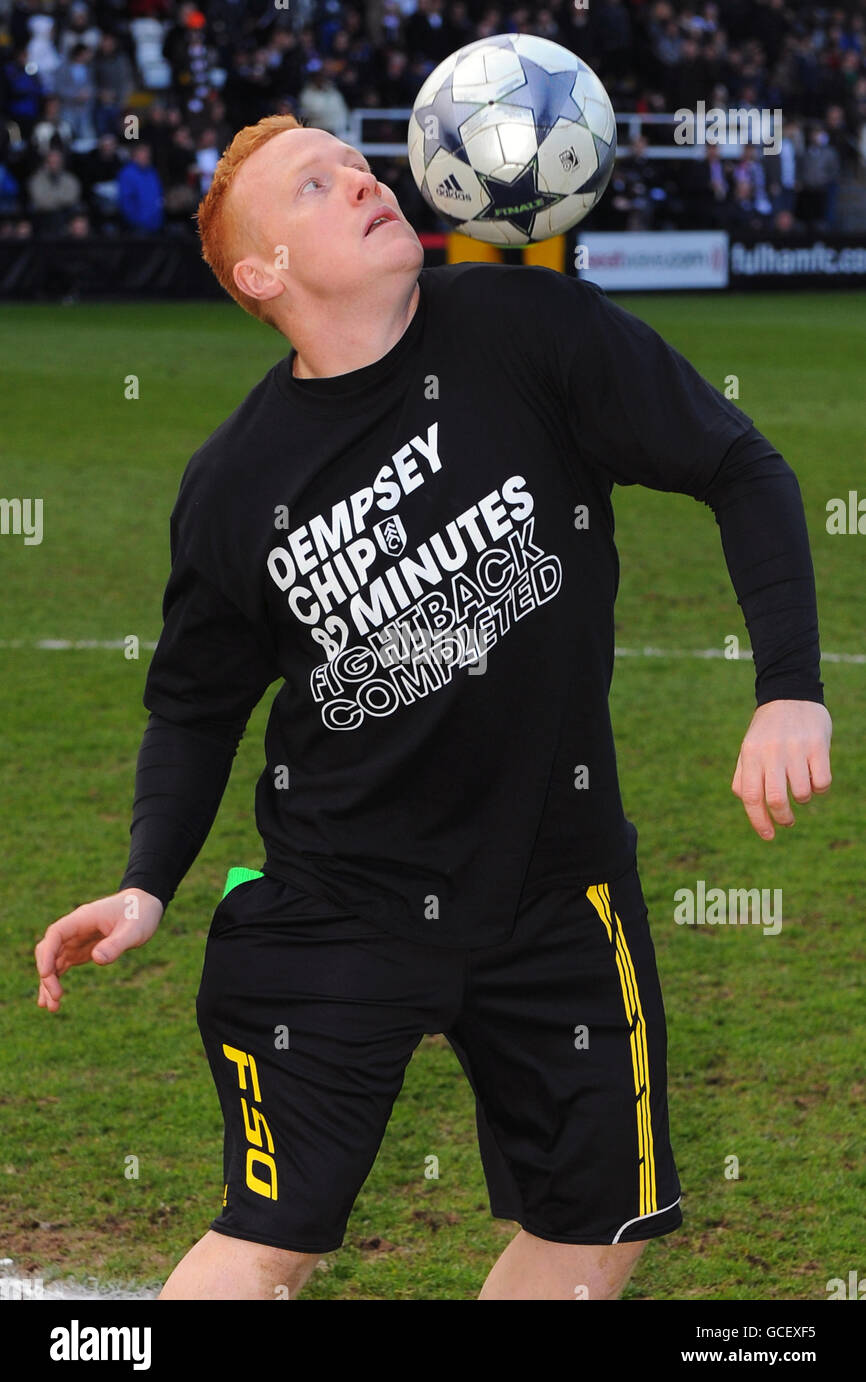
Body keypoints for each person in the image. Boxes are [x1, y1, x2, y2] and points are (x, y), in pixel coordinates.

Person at [35, 113, 833, 1302]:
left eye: (352, 162)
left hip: (558, 887)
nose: (358, 179)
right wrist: (149, 878)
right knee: (273, 1238)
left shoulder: (530, 329)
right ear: (266, 273)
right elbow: (196, 707)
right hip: (336, 902)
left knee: (595, 1228)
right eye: (313, 185)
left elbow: (739, 467)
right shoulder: (235, 481)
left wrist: (787, 691)